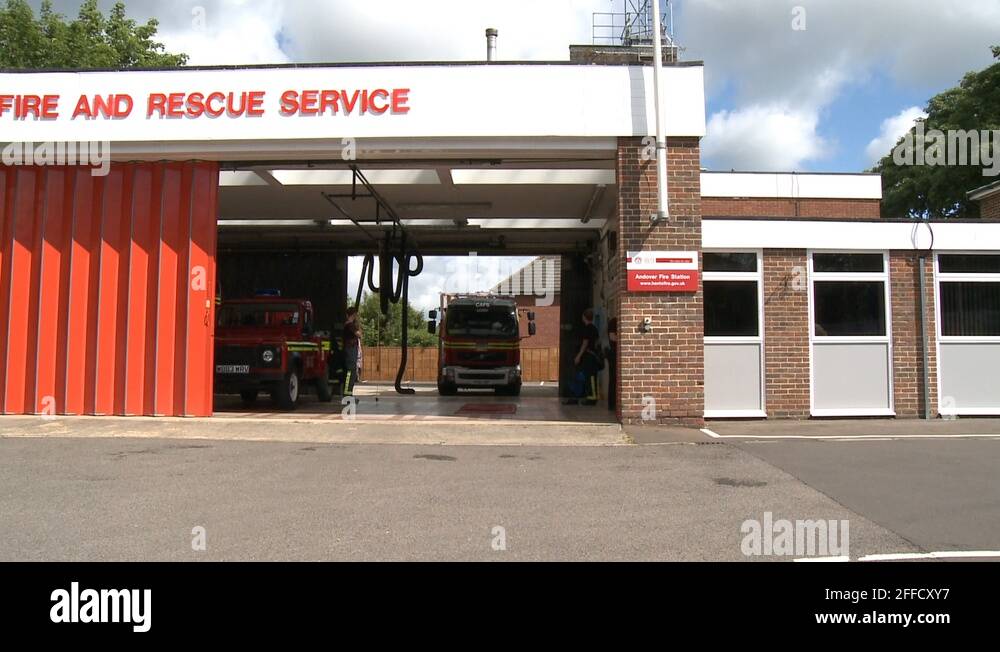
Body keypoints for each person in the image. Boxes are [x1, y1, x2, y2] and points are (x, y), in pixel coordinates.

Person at [564, 308, 601, 406]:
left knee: (590, 377)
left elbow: (585, 343)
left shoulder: (588, 328)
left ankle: (592, 398)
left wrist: (578, 356)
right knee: (589, 376)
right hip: (592, 355)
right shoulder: (594, 328)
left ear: (584, 317)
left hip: (589, 356)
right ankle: (588, 396)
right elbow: (597, 342)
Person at [343, 307, 362, 397]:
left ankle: (348, 394)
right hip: (350, 350)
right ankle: (348, 394)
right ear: (354, 315)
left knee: (350, 373)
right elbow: (359, 334)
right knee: (351, 372)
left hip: (350, 350)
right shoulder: (350, 325)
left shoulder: (348, 325)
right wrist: (358, 325)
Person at [606, 317, 618, 411]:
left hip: (617, 354)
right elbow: (612, 337)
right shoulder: (613, 322)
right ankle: (612, 404)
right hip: (614, 354)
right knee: (613, 379)